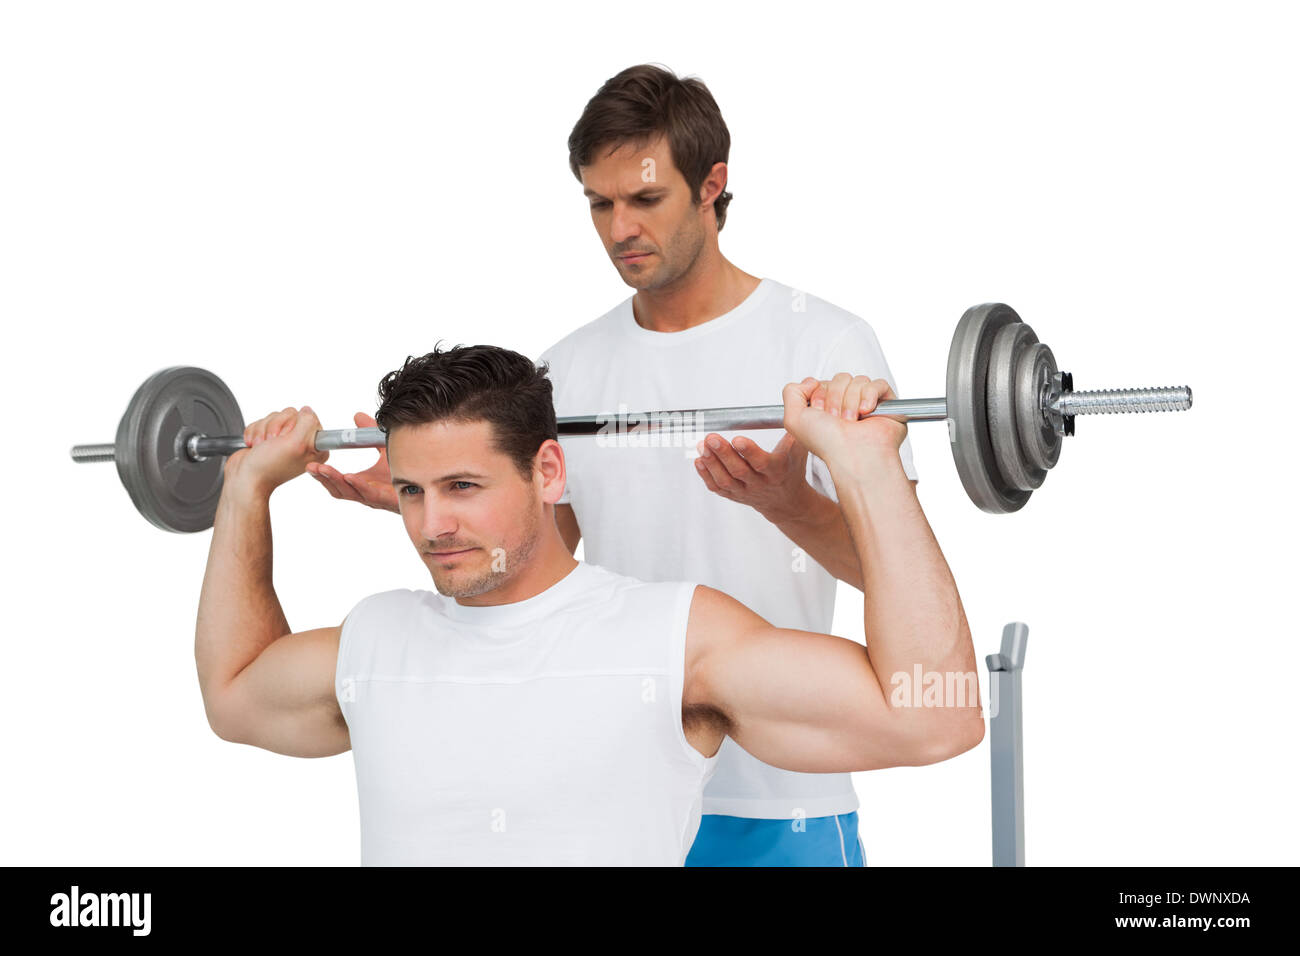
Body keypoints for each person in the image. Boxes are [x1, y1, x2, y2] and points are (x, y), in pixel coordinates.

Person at [308, 64, 923, 866]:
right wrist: (427, 499)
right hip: (616, 788)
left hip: (780, 791)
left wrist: (788, 505)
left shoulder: (824, 344)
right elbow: (537, 552)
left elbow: (899, 577)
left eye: (644, 200)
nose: (619, 228)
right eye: (600, 204)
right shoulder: (567, 368)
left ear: (712, 185)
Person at [197, 344, 982, 866]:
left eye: (463, 487)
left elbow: (934, 719)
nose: (432, 525)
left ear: (547, 471)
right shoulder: (378, 637)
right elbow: (233, 695)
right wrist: (245, 489)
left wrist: (869, 467)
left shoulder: (670, 637)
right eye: (412, 491)